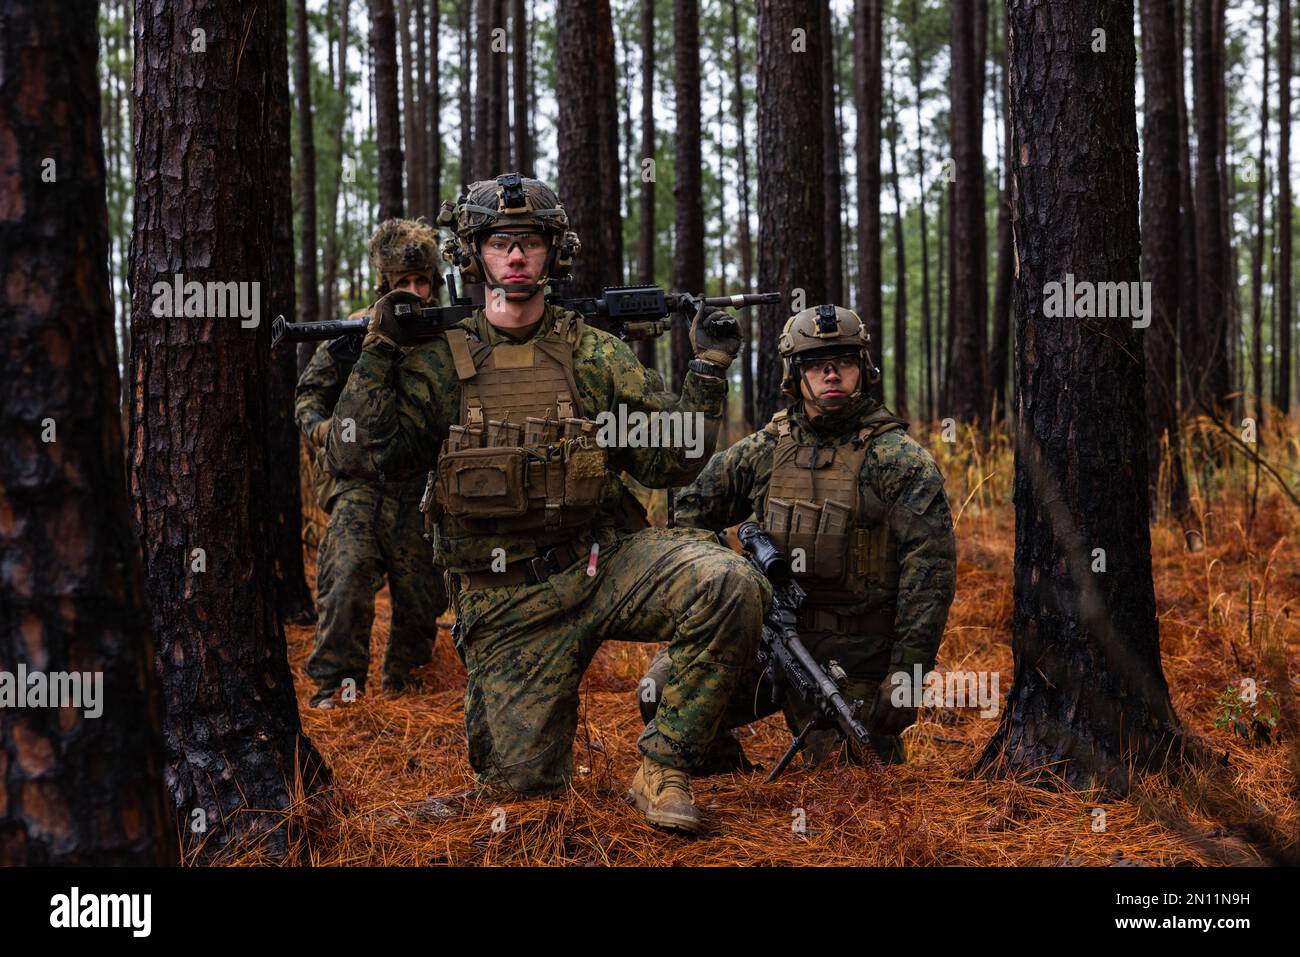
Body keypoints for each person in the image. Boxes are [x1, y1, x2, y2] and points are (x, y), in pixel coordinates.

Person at [325, 173, 768, 833]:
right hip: (506, 606)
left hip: (601, 564)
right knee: (524, 799)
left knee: (729, 582)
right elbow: (356, 454)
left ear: (551, 253)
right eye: (500, 241)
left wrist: (705, 369)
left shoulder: (591, 352)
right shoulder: (440, 362)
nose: (515, 256)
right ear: (473, 254)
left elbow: (670, 457)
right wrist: (378, 353)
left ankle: (666, 762)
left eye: (529, 241)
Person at [640, 304, 956, 767]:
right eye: (815, 365)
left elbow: (929, 575)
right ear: (795, 374)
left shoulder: (899, 461)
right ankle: (731, 780)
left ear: (863, 370)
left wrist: (906, 673)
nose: (831, 374)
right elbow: (690, 506)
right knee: (663, 690)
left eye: (844, 363)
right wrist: (728, 581)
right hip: (767, 641)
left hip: (854, 661)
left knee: (856, 784)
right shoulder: (767, 448)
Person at [295, 218, 449, 709]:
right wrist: (324, 434)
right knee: (345, 581)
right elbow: (309, 398)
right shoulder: (350, 333)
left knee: (422, 596)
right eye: (403, 284)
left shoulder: (448, 337)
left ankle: (408, 684)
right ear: (385, 284)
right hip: (357, 486)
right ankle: (336, 690)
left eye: (422, 282)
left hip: (420, 491)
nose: (413, 292)